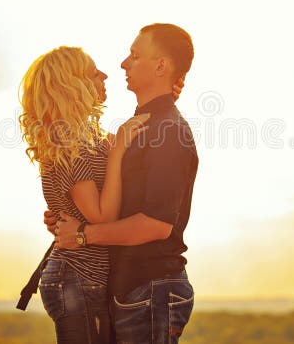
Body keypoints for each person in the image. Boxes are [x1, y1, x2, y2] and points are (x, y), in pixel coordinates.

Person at [51, 24, 198, 344]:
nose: (122, 64)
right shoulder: (139, 128)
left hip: (152, 287)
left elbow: (156, 225)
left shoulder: (169, 131)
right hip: (133, 288)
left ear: (161, 66)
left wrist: (82, 235)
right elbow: (120, 204)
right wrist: (67, 213)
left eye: (134, 56)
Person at [18, 46, 151, 344]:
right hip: (77, 278)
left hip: (80, 278)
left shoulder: (81, 137)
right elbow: (102, 217)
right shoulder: (73, 142)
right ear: (72, 86)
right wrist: (117, 154)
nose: (104, 75)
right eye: (93, 73)